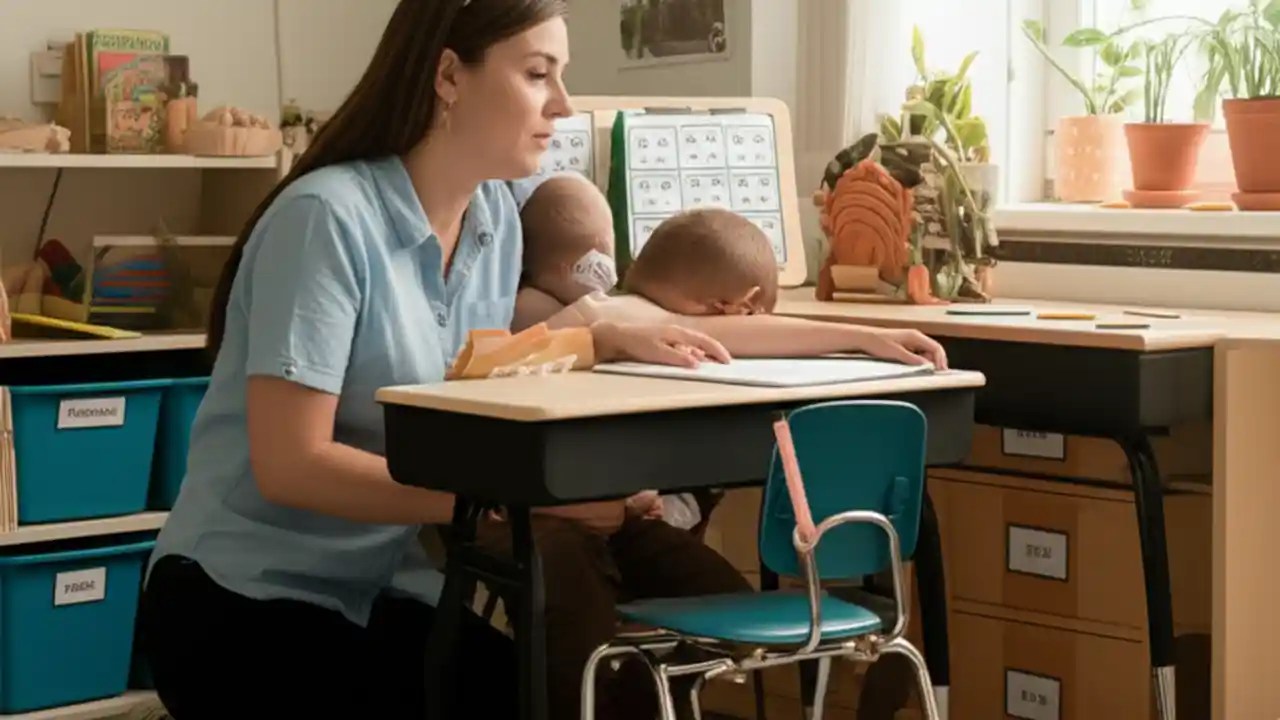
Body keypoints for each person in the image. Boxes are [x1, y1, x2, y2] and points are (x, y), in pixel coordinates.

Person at [135, 2, 734, 718]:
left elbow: (482, 391)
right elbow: (291, 463)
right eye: (538, 73)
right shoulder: (325, 218)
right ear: (449, 74)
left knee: (559, 695)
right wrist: (517, 499)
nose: (564, 104)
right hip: (241, 600)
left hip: (384, 590)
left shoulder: (494, 224)